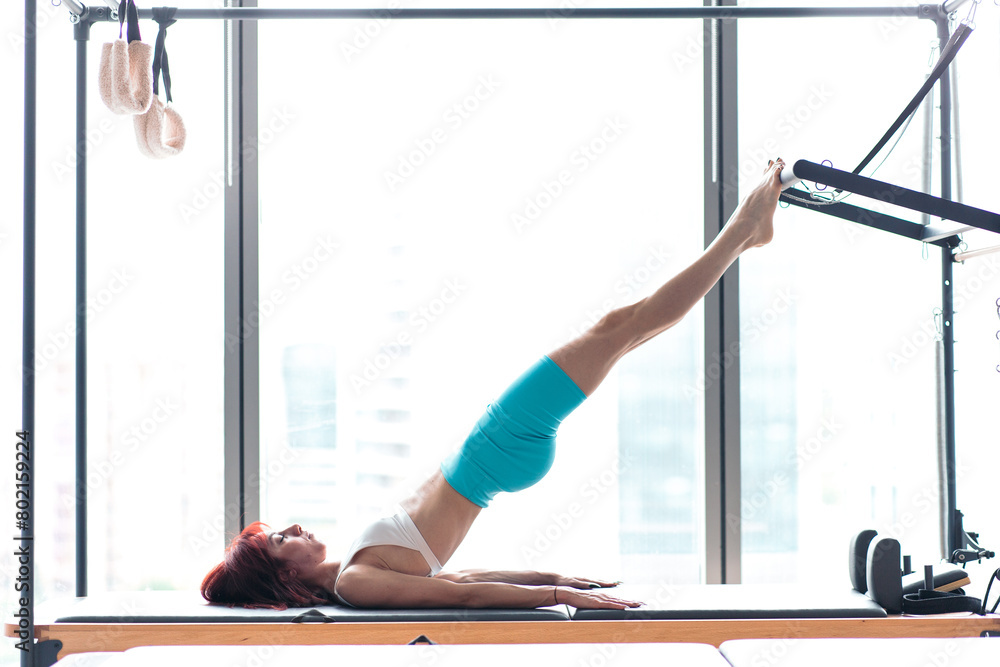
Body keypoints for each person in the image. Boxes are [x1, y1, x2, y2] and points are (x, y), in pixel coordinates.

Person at [201, 159, 786, 611]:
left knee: (625, 333)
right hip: (497, 447)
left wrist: (550, 577)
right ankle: (743, 229)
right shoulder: (355, 583)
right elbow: (460, 595)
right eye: (280, 540)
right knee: (619, 327)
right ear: (284, 574)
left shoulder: (355, 571)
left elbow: (458, 575)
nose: (293, 528)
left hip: (495, 451)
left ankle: (745, 234)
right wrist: (557, 597)